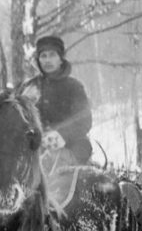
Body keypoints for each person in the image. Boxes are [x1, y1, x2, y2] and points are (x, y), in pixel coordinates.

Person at [20, 35, 93, 166]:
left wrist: (61, 135)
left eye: (52, 55)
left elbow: (84, 120)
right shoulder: (29, 87)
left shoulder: (74, 86)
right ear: (38, 59)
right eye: (43, 56)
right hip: (37, 147)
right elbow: (19, 120)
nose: (47, 60)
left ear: (61, 59)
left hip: (71, 145)